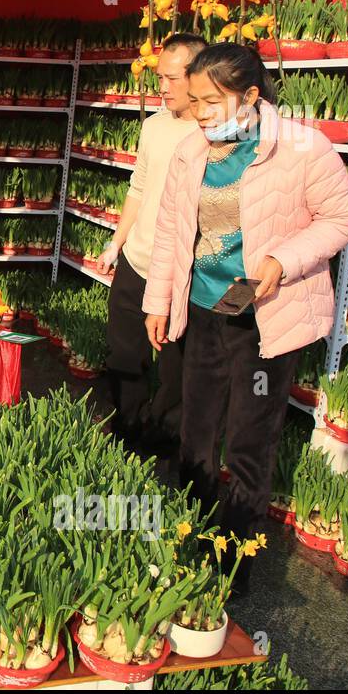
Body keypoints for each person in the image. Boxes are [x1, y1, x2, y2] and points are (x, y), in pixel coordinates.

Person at [142, 43, 348, 593]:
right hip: (206, 308)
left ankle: (232, 562)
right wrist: (158, 301)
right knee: (195, 428)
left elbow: (341, 218)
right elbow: (172, 232)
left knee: (247, 439)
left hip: (269, 317)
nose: (198, 113)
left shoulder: (302, 149)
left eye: (211, 102)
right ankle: (186, 538)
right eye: (194, 101)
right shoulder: (192, 152)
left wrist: (282, 260)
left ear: (251, 96)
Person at [97, 33, 206, 463]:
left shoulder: (211, 132)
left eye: (171, 77)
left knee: (177, 365)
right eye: (159, 76)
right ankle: (126, 431)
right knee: (125, 352)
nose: (161, 85)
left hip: (182, 272)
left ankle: (163, 439)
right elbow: (138, 188)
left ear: (197, 76)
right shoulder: (154, 126)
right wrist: (116, 243)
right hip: (137, 262)